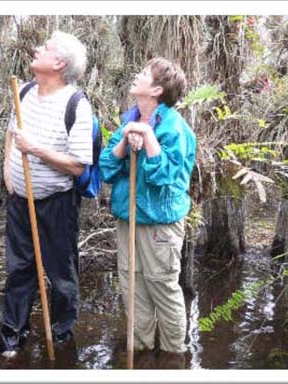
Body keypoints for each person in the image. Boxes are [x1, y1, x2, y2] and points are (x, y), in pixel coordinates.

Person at [0, 31, 93, 356]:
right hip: (19, 200)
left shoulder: (76, 105)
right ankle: (12, 336)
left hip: (57, 203)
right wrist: (7, 170)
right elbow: (11, 133)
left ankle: (61, 336)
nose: (38, 49)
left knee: (61, 273)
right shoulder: (24, 91)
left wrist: (35, 149)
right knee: (19, 268)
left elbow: (78, 166)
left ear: (59, 63)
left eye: (46, 47)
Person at [100, 57, 196, 355]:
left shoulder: (173, 127)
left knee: (162, 287)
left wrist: (149, 136)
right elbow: (106, 168)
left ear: (156, 90)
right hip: (128, 219)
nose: (136, 75)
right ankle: (140, 352)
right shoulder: (130, 119)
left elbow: (165, 177)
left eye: (143, 73)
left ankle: (172, 357)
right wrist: (125, 140)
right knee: (132, 288)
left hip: (159, 224)